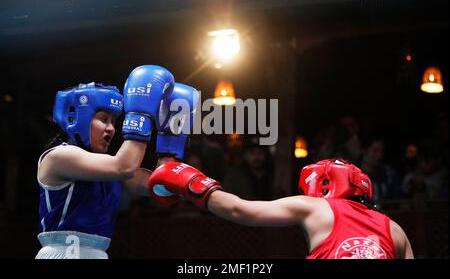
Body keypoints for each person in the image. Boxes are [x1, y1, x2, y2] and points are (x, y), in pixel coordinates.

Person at [35, 65, 175, 259]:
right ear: (78, 118)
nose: (110, 128)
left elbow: (161, 189)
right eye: (103, 119)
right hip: (64, 254)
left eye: (113, 121)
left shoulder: (107, 166)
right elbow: (124, 166)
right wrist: (141, 114)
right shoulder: (58, 157)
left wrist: (169, 145)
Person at [148, 158, 414, 259]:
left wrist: (189, 180)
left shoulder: (318, 207)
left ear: (320, 185)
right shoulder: (395, 229)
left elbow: (241, 211)